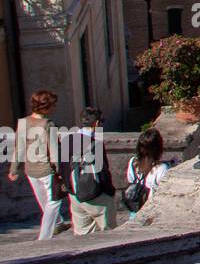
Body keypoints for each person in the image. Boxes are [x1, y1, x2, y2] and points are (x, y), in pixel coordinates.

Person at [7, 89, 63, 240]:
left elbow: (19, 148)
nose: (54, 108)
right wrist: (58, 171)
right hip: (46, 170)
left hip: (30, 170)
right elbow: (54, 150)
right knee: (54, 202)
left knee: (45, 203)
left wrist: (14, 170)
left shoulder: (23, 122)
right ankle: (44, 238)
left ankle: (58, 223)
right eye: (53, 105)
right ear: (46, 107)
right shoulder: (48, 124)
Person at [59, 107, 116, 235]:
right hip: (97, 196)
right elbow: (103, 172)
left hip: (75, 196)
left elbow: (62, 168)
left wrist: (70, 190)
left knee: (82, 236)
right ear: (96, 123)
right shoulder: (95, 143)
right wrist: (110, 192)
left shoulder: (67, 140)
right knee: (109, 235)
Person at [123, 128, 170, 217]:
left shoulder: (133, 162)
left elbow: (131, 180)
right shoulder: (161, 168)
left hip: (135, 211)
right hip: (150, 212)